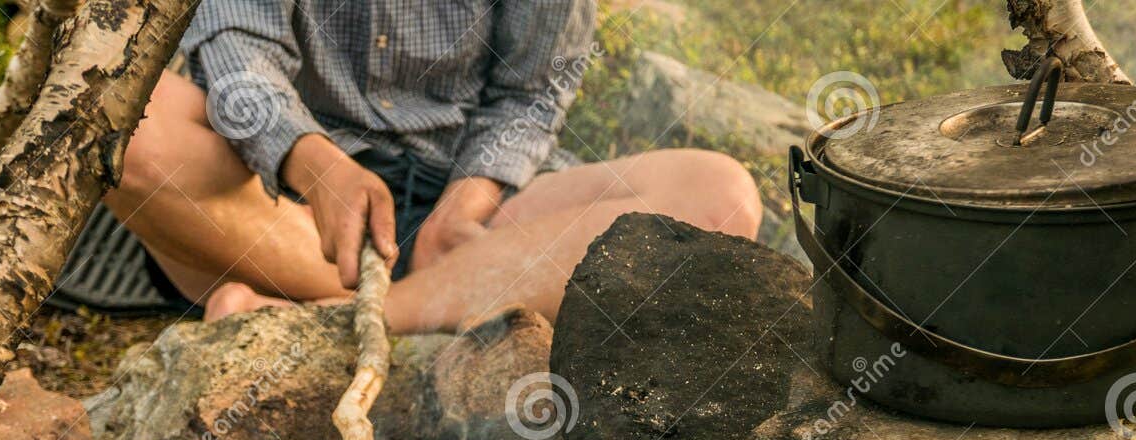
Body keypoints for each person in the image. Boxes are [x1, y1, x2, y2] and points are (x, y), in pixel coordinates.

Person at [107, 0, 763, 333]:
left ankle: (348, 322)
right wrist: (314, 163)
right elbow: (235, 48)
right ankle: (439, 309)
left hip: (464, 202)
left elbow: (532, 92)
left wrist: (471, 197)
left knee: (717, 196)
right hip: (281, 211)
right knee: (115, 113)